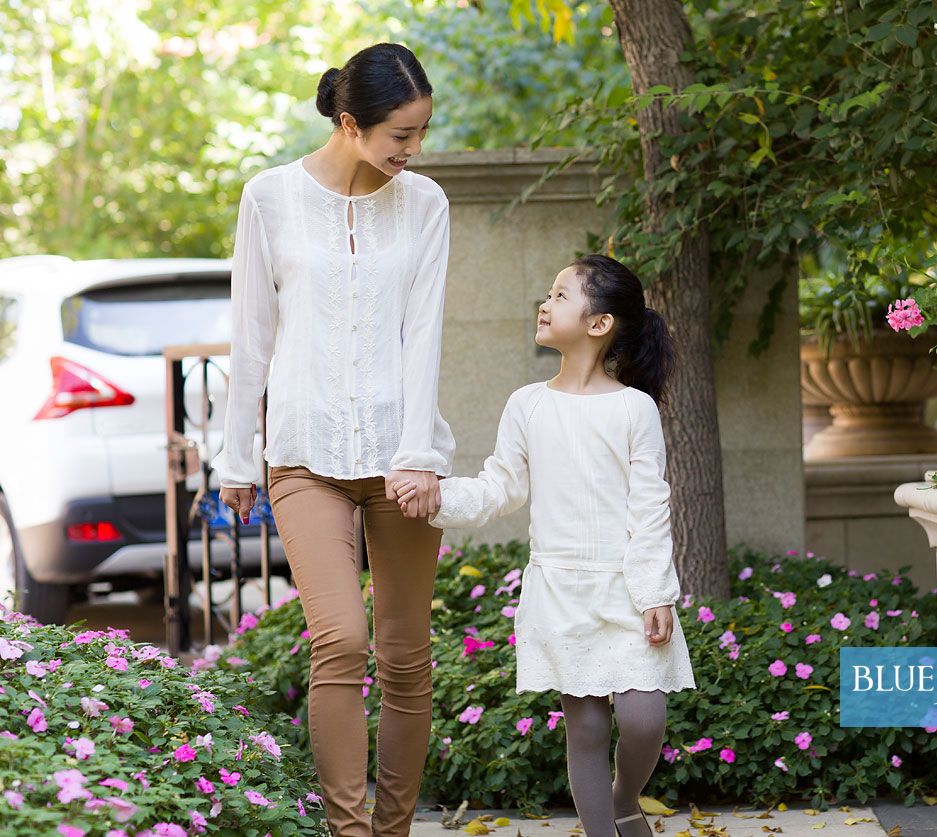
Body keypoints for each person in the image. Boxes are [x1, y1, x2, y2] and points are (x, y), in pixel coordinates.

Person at [215, 42, 453, 837]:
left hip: (400, 457)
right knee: (341, 639)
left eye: (420, 133)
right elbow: (250, 333)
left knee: (406, 656)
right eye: (399, 136)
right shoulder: (269, 197)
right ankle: (349, 831)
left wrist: (418, 454)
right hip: (304, 454)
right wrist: (235, 458)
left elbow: (425, 336)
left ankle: (393, 828)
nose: (412, 151)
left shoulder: (425, 204)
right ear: (350, 124)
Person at [397, 254, 696, 837]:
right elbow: (501, 487)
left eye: (561, 295)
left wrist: (656, 593)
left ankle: (625, 800)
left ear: (599, 323)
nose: (545, 302)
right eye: (549, 293)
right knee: (584, 730)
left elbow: (650, 507)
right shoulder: (527, 404)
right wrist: (440, 500)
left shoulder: (636, 407)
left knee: (643, 719)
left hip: (627, 589)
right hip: (558, 589)